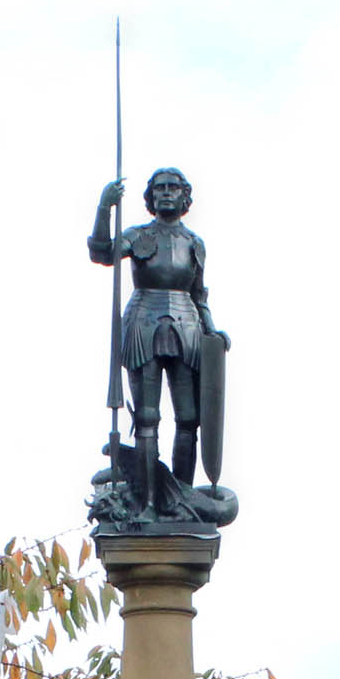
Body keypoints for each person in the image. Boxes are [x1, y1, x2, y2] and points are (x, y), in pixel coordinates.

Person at [89, 167, 229, 519]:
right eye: (160, 188)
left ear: (185, 198)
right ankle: (150, 502)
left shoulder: (193, 243)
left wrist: (212, 329)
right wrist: (104, 209)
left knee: (189, 418)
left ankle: (178, 498)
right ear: (150, 198)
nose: (166, 193)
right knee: (148, 417)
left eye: (173, 188)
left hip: (186, 323)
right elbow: (102, 253)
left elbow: (199, 294)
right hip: (144, 319)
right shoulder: (138, 235)